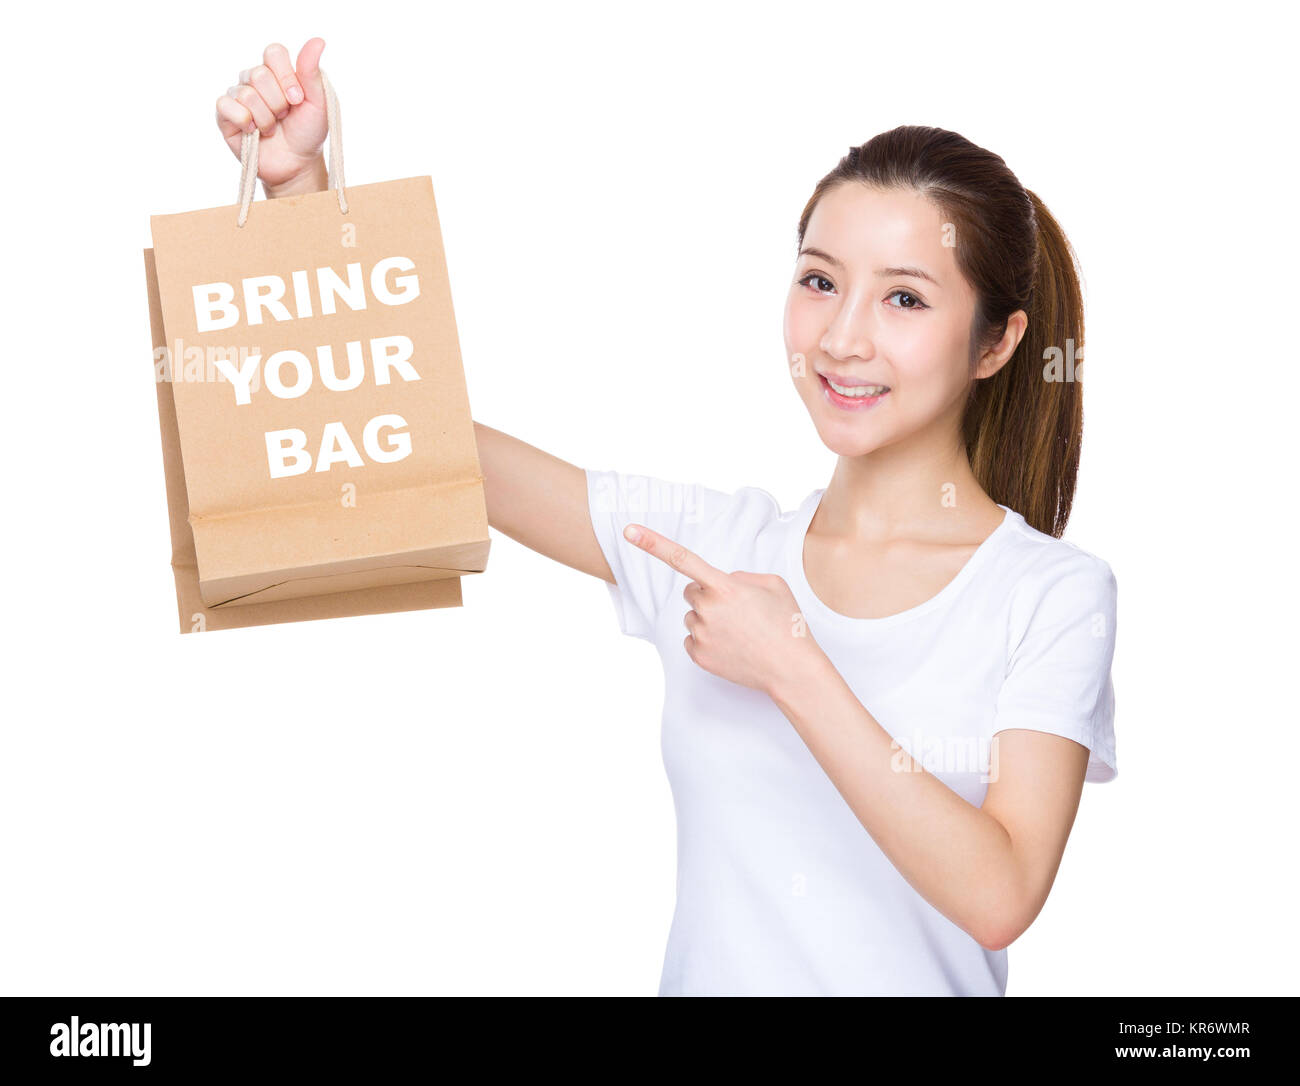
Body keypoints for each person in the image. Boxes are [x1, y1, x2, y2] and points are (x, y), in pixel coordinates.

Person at [216, 39, 1119, 997]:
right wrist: (298, 193)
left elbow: (1000, 890)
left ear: (997, 342)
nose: (842, 337)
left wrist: (791, 663)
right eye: (820, 280)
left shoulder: (1048, 593)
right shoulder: (713, 547)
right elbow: (415, 439)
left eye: (904, 297)